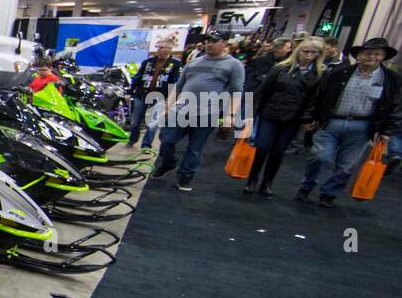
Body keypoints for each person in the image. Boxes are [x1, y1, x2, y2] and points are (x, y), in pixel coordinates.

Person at [296, 37, 401, 207]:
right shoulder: (340, 73)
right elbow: (319, 96)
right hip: (332, 121)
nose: (371, 57)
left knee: (346, 165)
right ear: (359, 55)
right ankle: (306, 186)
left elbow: (395, 105)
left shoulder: (391, 79)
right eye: (367, 53)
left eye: (376, 54)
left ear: (383, 56)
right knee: (319, 157)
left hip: (362, 126)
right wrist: (309, 117)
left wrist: (387, 131)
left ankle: (328, 194)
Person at [150, 29, 245, 191]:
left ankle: (185, 177)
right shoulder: (194, 62)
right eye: (207, 40)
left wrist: (229, 115)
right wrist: (168, 106)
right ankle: (168, 163)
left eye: (214, 41)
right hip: (180, 110)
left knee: (195, 148)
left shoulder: (234, 65)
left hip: (207, 113)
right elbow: (178, 87)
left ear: (224, 43)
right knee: (166, 140)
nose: (209, 44)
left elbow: (236, 91)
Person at [244, 38, 324, 197]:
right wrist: (251, 114)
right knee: (261, 148)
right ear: (297, 51)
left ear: (318, 55)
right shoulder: (280, 68)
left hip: (293, 118)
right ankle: (252, 179)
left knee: (278, 152)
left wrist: (308, 119)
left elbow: (315, 99)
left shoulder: (320, 74)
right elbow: (262, 91)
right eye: (305, 51)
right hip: (270, 113)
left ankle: (267, 182)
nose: (308, 55)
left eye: (313, 53)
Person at [127, 39, 182, 149]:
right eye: (158, 47)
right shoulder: (148, 61)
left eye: (162, 47)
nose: (159, 50)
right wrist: (129, 92)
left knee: (153, 124)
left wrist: (171, 99)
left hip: (160, 97)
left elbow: (176, 82)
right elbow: (137, 77)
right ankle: (132, 139)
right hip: (141, 94)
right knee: (135, 122)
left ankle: (146, 145)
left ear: (169, 49)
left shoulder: (175, 64)